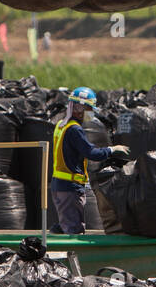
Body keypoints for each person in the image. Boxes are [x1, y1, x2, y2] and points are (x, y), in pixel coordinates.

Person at [52, 86, 130, 234]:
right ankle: (66, 255)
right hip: (70, 186)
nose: (90, 113)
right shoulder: (74, 129)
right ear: (78, 107)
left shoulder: (61, 125)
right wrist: (112, 149)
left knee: (67, 225)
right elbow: (91, 153)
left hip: (61, 184)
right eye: (89, 108)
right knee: (73, 230)